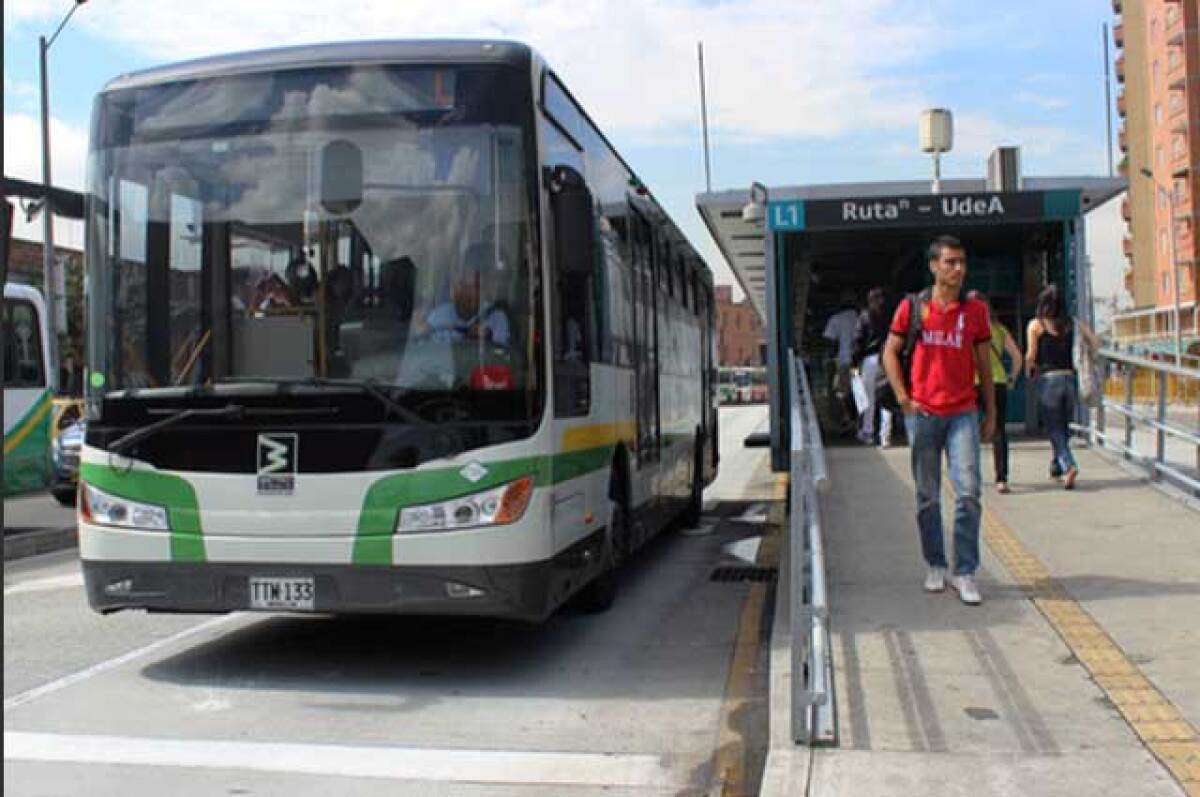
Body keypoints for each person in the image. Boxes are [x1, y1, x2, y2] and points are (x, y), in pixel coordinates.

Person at [883, 235, 996, 606]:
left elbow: (984, 365)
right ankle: (936, 564)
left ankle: (965, 571)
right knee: (927, 494)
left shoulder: (975, 311)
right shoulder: (912, 307)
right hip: (924, 413)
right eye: (950, 262)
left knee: (969, 491)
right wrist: (903, 397)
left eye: (962, 262)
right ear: (934, 266)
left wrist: (991, 412)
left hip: (963, 411)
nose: (958, 269)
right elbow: (890, 352)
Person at [1024, 284, 1100, 490]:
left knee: (1053, 427)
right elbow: (1095, 343)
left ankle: (1069, 465)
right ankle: (1056, 467)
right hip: (1069, 379)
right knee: (1063, 426)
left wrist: (1028, 370)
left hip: (1048, 380)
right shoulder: (1073, 324)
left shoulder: (1036, 325)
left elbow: (1031, 355)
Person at [967, 290, 1023, 494]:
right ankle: (1002, 478)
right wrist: (1012, 377)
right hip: (997, 381)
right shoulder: (999, 329)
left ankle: (970, 476)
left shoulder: (966, 329)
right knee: (999, 431)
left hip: (972, 383)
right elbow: (1017, 356)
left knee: (968, 430)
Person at [421, 250, 510, 346]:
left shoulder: (496, 318)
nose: (469, 293)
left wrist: (488, 338)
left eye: (475, 287)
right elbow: (425, 349)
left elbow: (503, 351)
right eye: (464, 286)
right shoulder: (437, 317)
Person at [852, 286, 893, 447]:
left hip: (869, 360)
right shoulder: (889, 316)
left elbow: (857, 340)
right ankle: (885, 436)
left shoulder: (865, 316)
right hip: (886, 359)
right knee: (886, 397)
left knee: (868, 398)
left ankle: (868, 432)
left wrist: (854, 362)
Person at [823, 293, 860, 433]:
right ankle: (859, 421)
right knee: (859, 391)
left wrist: (831, 358)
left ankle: (847, 418)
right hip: (858, 362)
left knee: (841, 391)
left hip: (844, 362)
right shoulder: (860, 317)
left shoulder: (836, 319)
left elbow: (830, 342)